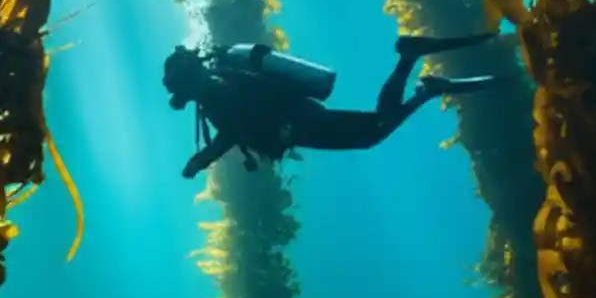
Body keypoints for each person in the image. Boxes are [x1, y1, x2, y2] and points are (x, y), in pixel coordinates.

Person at [163, 34, 502, 178]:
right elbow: (234, 130)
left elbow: (235, 128)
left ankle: (411, 63)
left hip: (299, 123)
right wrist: (201, 160)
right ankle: (425, 87)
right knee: (373, 131)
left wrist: (201, 160)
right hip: (300, 121)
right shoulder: (214, 89)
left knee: (374, 131)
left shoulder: (215, 92)